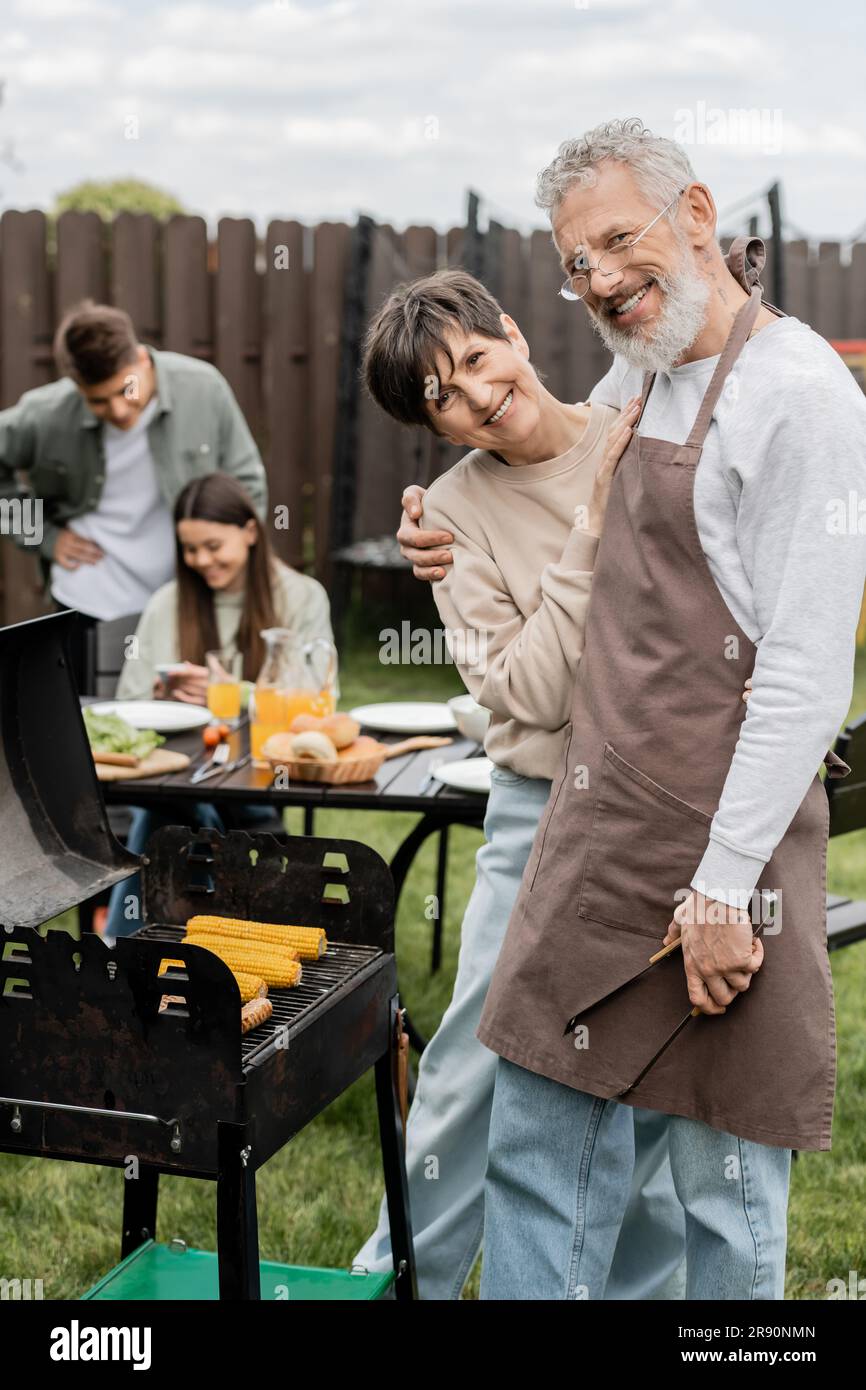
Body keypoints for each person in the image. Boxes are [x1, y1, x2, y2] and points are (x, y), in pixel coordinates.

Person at [402, 119, 866, 1300]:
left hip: (726, 853)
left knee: (719, 1185)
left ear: (696, 216)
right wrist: (439, 527)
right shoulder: (639, 368)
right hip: (600, 833)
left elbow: (807, 678)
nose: (599, 279)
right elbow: (553, 462)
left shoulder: (799, 397)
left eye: (618, 241)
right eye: (575, 264)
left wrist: (721, 889)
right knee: (537, 1141)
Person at [353, 267, 706, 1301]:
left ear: (510, 331)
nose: (474, 396)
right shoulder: (449, 521)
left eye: (475, 359)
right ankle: (394, 1278)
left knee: (635, 1077)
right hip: (540, 811)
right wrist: (590, 532)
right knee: (469, 1065)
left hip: (659, 806)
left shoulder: (636, 425)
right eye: (443, 399)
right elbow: (532, 690)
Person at [105, 473, 333, 943]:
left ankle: (125, 948)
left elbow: (317, 707)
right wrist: (160, 699)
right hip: (179, 771)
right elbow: (127, 704)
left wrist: (233, 691)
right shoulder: (167, 604)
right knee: (174, 812)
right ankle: (207, 945)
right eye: (191, 550)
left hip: (261, 779)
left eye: (213, 545)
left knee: (167, 821)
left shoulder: (301, 597)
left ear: (251, 531)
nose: (202, 561)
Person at [0, 299, 267, 683]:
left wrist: (231, 565)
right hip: (90, 600)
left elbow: (249, 483)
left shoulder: (204, 388)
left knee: (195, 720)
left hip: (187, 596)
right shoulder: (45, 413)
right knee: (95, 730)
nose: (119, 411)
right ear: (75, 389)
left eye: (125, 390)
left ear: (142, 358)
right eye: (98, 401)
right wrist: (44, 535)